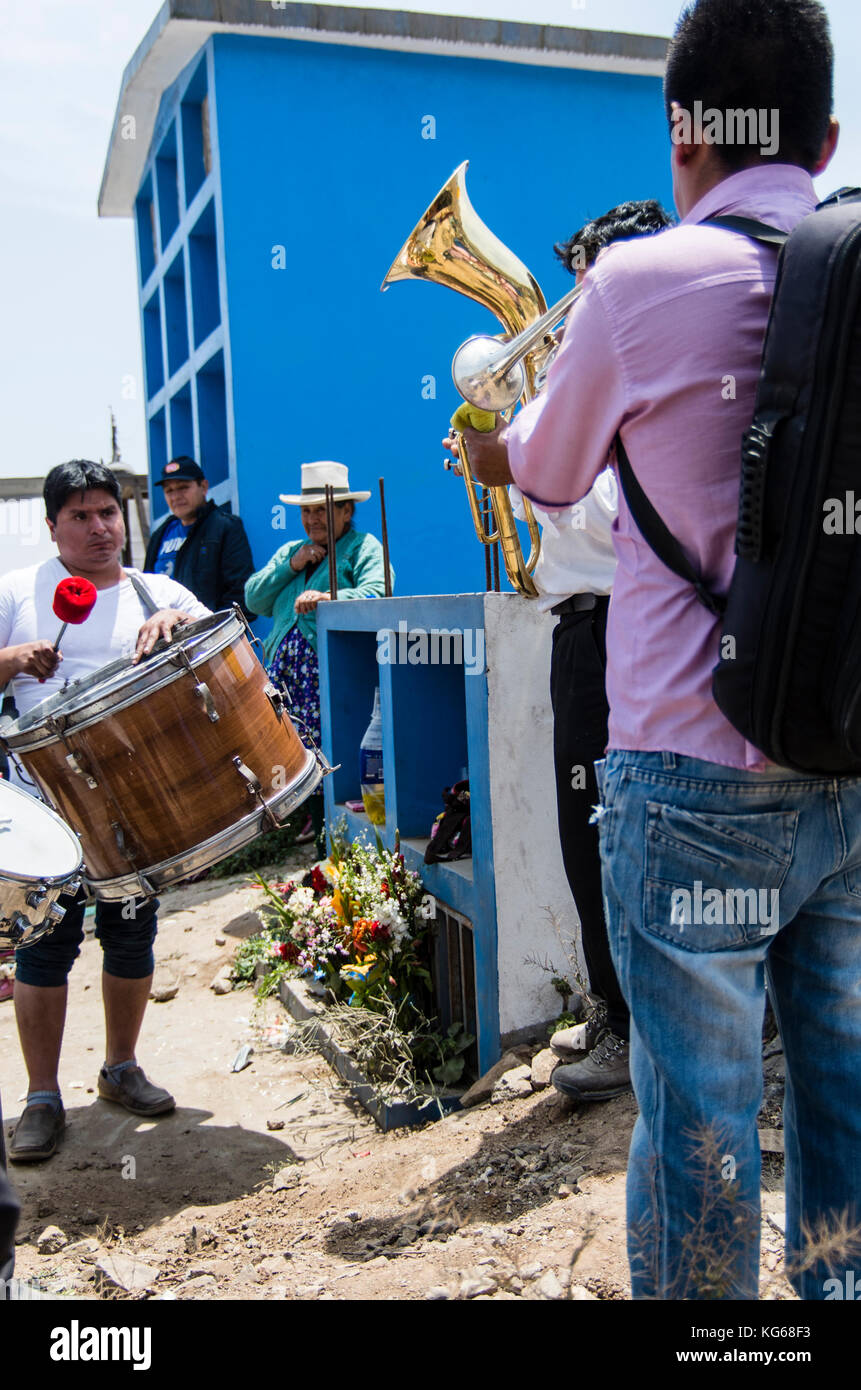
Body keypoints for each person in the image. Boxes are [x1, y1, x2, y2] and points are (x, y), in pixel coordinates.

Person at [451, 0, 850, 1301]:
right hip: (845, 760)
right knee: (842, 1095)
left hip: (689, 772)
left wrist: (490, 450)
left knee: (699, 1125)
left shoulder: (633, 285)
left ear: (682, 132)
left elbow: (556, 475)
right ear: (828, 133)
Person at [0, 460, 210, 1162]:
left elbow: (220, 651)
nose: (100, 528)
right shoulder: (18, 592)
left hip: (135, 803)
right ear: (53, 525)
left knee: (130, 935)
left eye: (109, 514)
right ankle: (40, 1096)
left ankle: (120, 1067)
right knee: (44, 950)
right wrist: (8, 661)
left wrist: (180, 622)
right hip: (44, 807)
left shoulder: (159, 590)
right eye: (82, 516)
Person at [513, 200, 673, 1105]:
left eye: (591, 277)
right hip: (581, 623)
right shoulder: (584, 377)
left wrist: (534, 450)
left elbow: (607, 519)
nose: (577, 298)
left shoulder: (650, 379)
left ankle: (638, 1025)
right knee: (586, 829)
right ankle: (615, 1008)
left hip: (630, 618)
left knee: (635, 830)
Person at [245, 461, 392, 850]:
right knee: (297, 762)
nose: (312, 519)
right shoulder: (293, 552)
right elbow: (254, 598)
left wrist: (330, 598)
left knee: (334, 761)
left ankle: (336, 843)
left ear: (346, 510)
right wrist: (293, 565)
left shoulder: (362, 548)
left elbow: (380, 592)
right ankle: (312, 832)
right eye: (306, 511)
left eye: (322, 509)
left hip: (334, 681)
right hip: (287, 687)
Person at [144, 456, 255, 616]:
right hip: (165, 634)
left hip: (206, 634)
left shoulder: (224, 527)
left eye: (183, 487)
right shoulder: (159, 535)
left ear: (203, 486)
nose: (176, 496)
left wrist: (209, 631)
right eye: (169, 491)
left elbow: (241, 595)